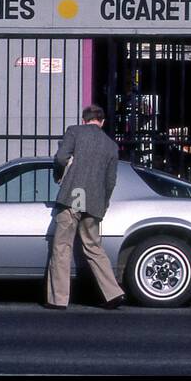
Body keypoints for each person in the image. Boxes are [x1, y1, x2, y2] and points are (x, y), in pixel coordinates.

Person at [44, 104, 126, 310]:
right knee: (94, 247)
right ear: (102, 122)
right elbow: (110, 182)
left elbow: (61, 157)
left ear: (83, 120)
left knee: (62, 247)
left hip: (73, 196)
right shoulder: (111, 145)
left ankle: (59, 299)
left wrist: (58, 174)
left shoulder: (74, 131)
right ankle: (113, 292)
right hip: (95, 201)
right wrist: (103, 205)